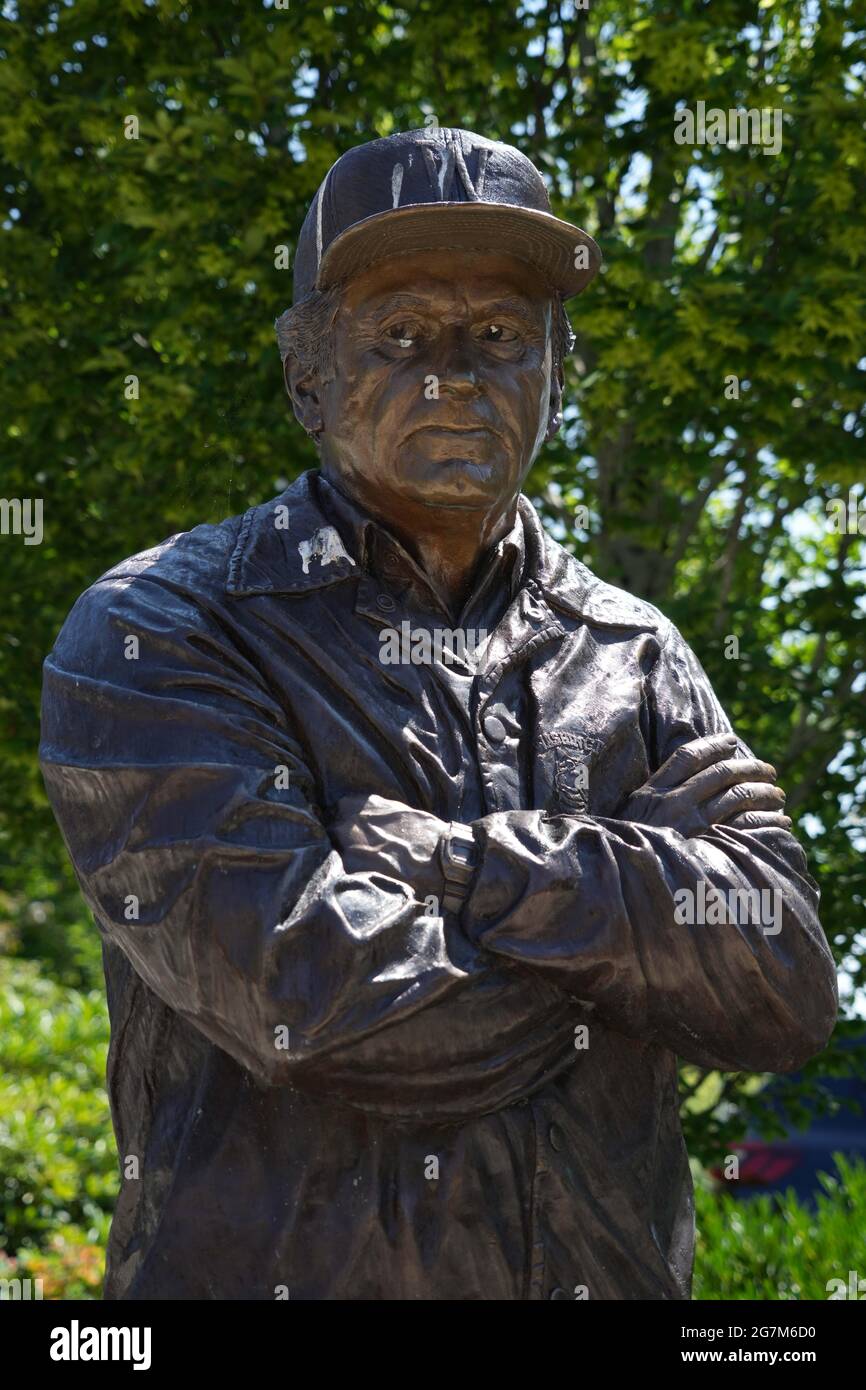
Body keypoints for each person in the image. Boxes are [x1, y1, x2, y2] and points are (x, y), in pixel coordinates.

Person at [40, 127, 837, 1301]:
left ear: (556, 373)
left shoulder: (636, 654)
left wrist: (470, 870)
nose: (453, 374)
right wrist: (640, 930)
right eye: (399, 333)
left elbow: (783, 989)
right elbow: (328, 1005)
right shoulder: (161, 629)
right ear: (306, 373)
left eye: (501, 337)